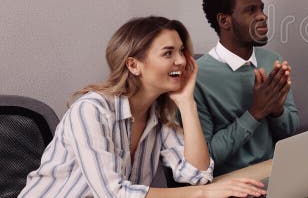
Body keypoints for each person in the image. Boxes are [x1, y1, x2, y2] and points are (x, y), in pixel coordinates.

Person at [19, 16, 266, 197]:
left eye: (181, 51)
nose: (181, 60)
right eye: (168, 53)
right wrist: (203, 194)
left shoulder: (157, 113)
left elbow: (198, 175)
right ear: (134, 65)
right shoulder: (91, 111)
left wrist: (186, 102)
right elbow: (114, 194)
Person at [195, 0, 299, 176]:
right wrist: (256, 112)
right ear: (224, 20)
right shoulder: (198, 78)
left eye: (261, 8)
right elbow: (206, 157)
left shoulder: (272, 61)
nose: (263, 16)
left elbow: (289, 131)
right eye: (251, 10)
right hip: (230, 185)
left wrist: (277, 110)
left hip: (274, 174)